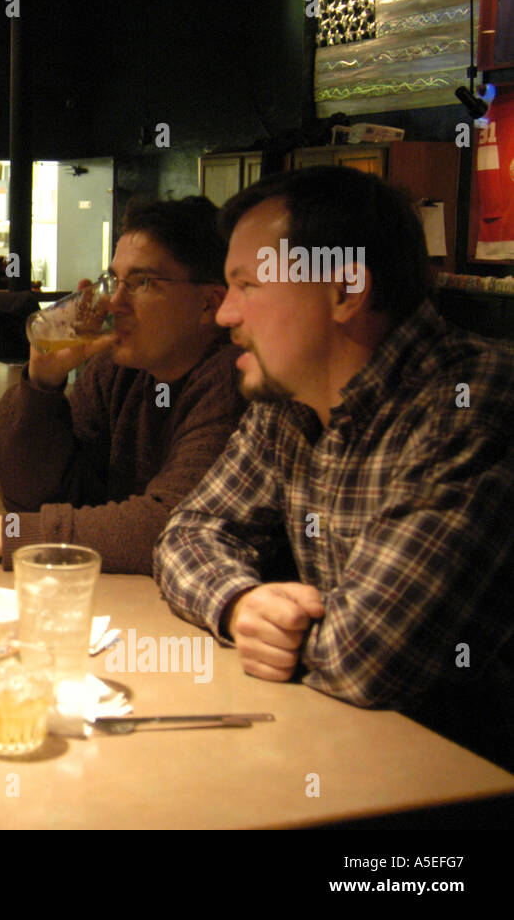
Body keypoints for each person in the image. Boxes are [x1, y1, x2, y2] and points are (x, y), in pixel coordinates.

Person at [153, 166, 514, 770]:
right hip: (351, 756)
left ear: (345, 290)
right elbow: (187, 532)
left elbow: (368, 656)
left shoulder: (472, 406)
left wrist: (283, 637)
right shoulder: (292, 400)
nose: (225, 314)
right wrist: (240, 605)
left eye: (247, 285)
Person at [0, 196, 245, 573]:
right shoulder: (120, 368)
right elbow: (30, 497)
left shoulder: (234, 378)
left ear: (210, 304)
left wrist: (0, 534)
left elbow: (175, 525)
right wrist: (42, 381)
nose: (114, 301)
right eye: (114, 280)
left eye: (142, 282)